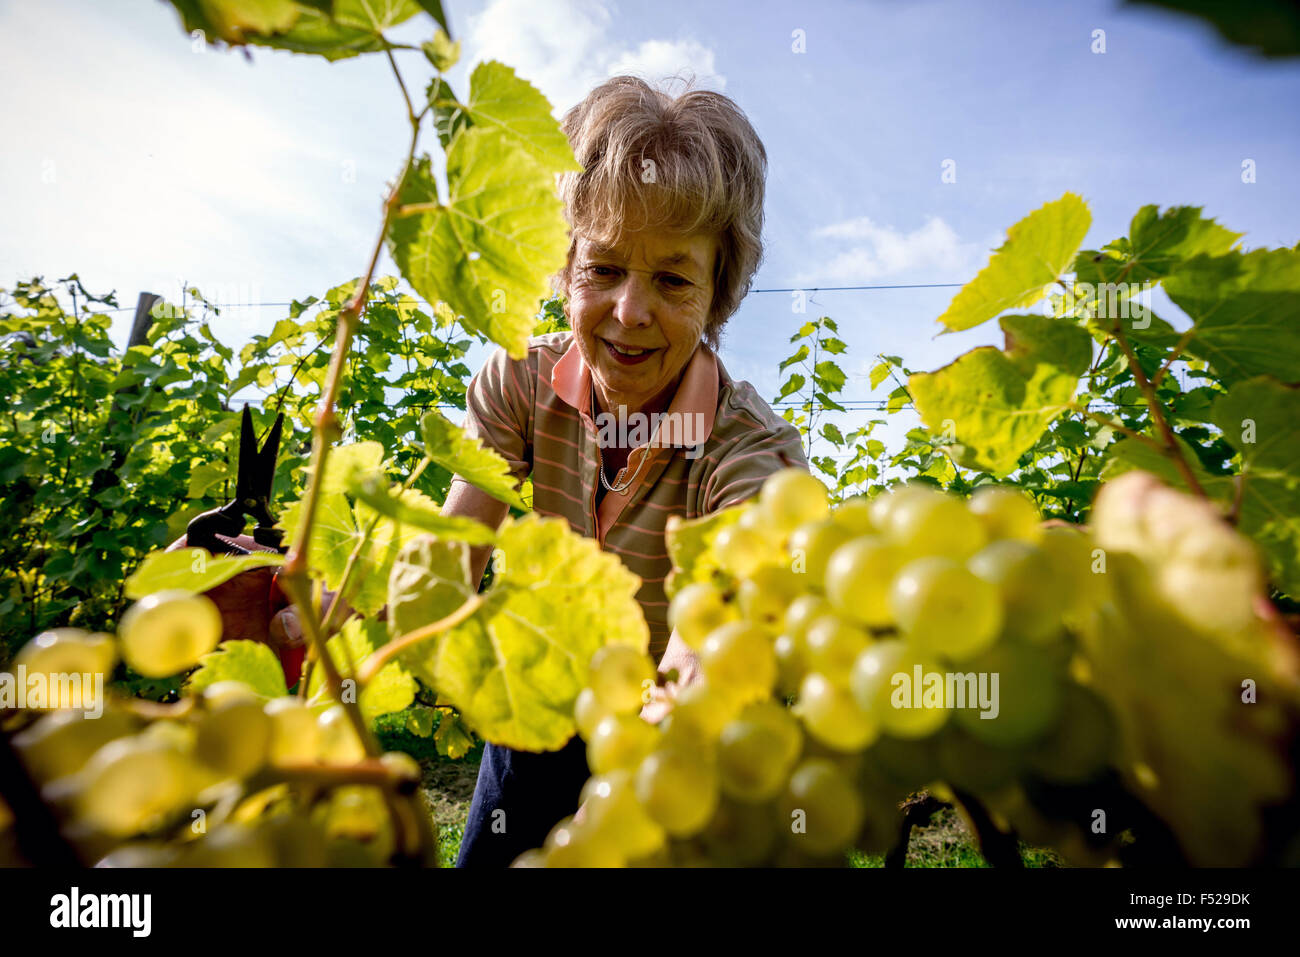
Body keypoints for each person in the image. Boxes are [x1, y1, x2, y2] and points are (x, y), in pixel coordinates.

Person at [181, 74, 808, 867]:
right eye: (604, 269)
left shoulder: (752, 449)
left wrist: (671, 723)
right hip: (534, 713)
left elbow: (715, 633)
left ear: (719, 292)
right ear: (564, 266)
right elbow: (443, 564)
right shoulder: (516, 385)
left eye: (674, 279)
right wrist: (320, 607)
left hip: (669, 746)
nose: (630, 312)